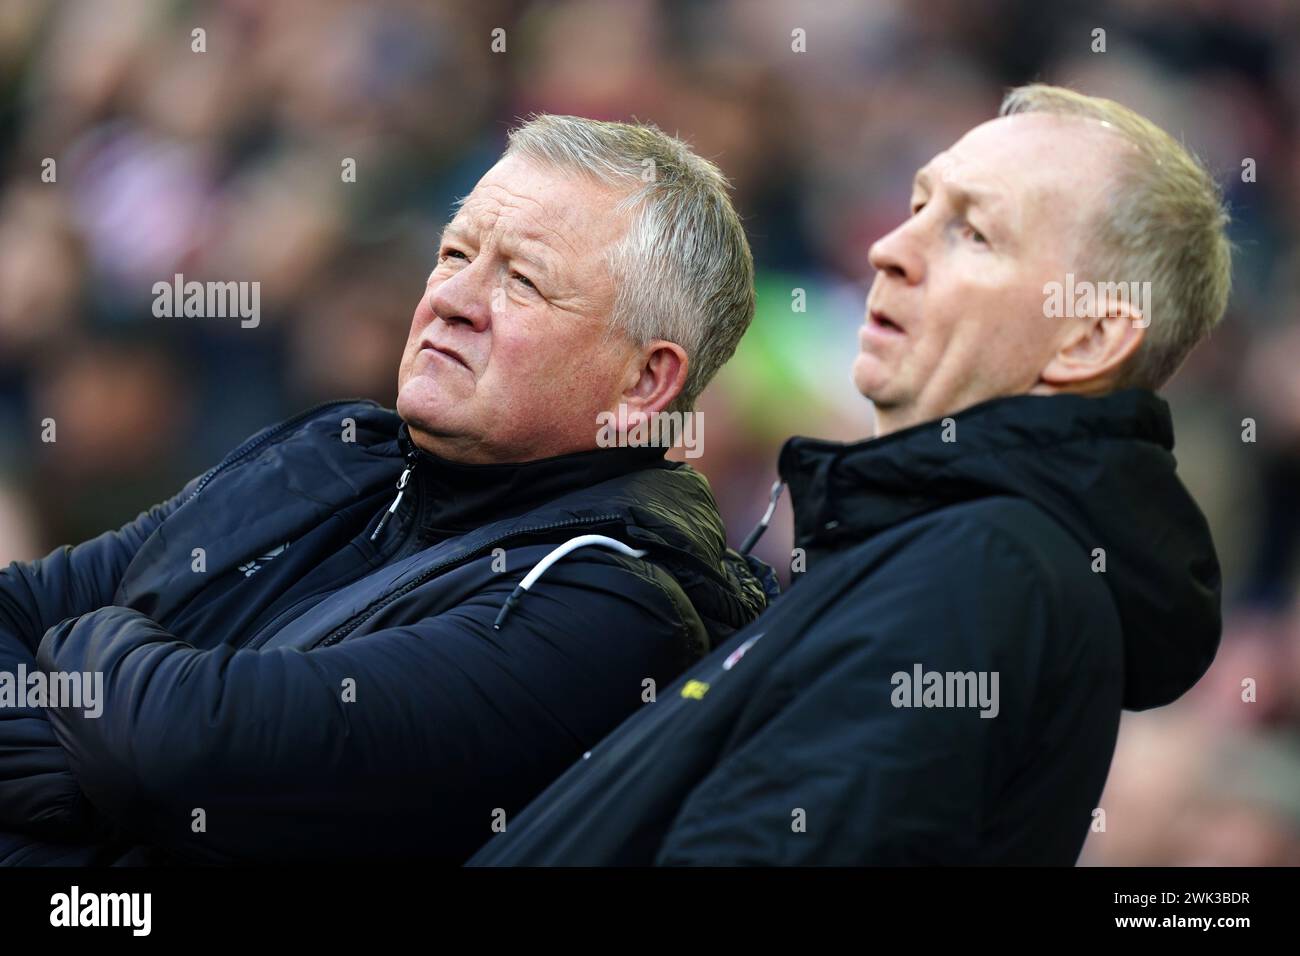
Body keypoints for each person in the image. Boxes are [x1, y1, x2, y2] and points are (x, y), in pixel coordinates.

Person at [468, 84, 1232, 866]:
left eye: (972, 231)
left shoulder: (983, 567)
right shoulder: (966, 551)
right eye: (919, 205)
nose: (889, 249)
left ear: (1089, 337)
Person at [0, 115, 773, 865]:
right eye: (454, 252)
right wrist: (93, 769)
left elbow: (179, 746)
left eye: (524, 282)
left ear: (644, 381)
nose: (453, 299)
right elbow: (15, 612)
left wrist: (76, 642)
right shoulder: (331, 453)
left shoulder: (615, 606)